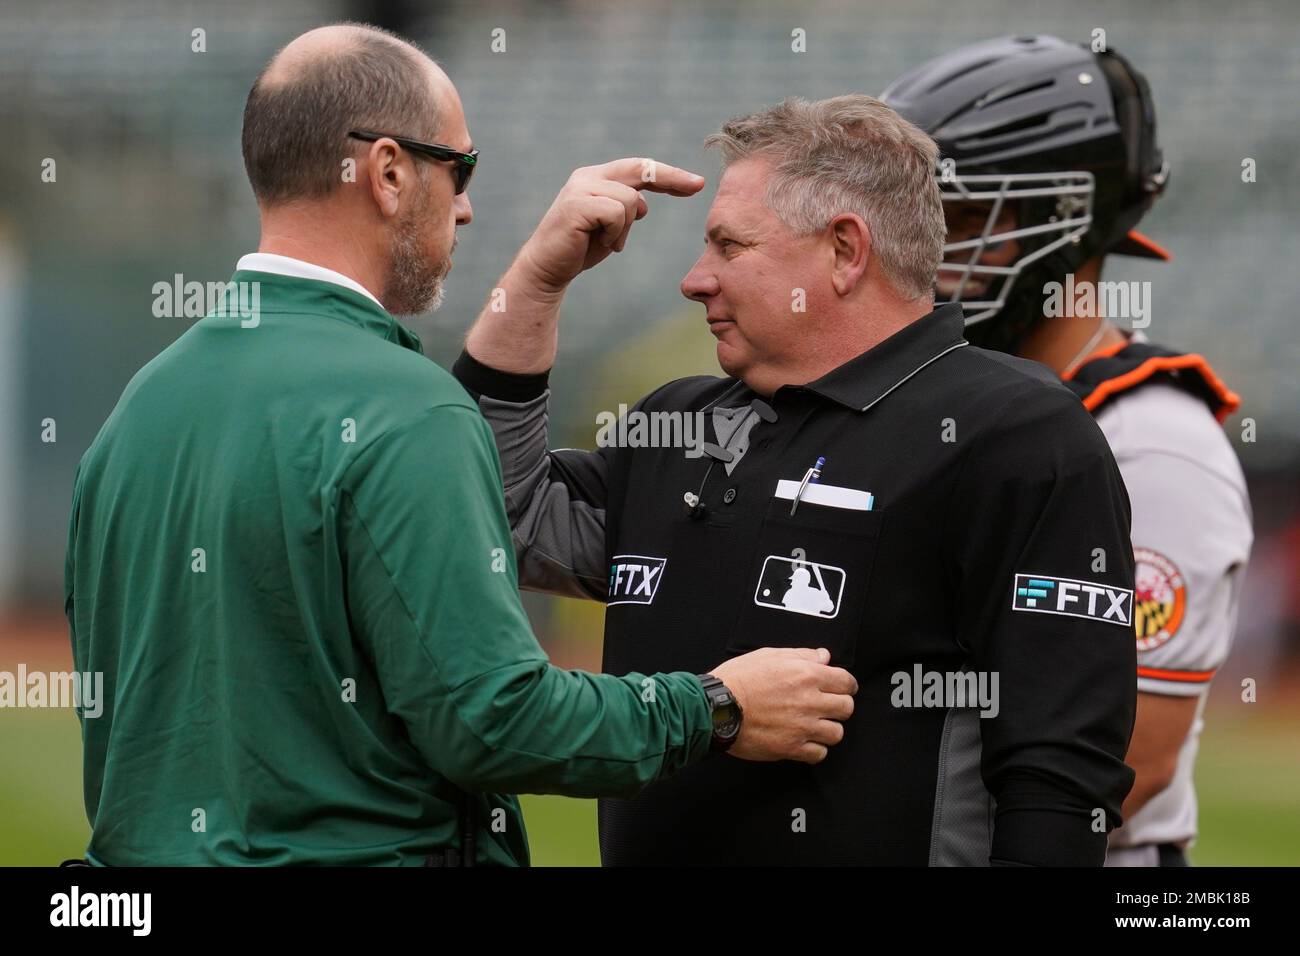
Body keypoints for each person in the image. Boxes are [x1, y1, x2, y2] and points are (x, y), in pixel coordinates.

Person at [63, 23, 857, 867]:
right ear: (390, 172)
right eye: (461, 168)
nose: (469, 203)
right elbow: (493, 720)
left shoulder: (138, 409)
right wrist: (716, 707)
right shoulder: (407, 407)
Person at [454, 94, 1138, 865]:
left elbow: (1059, 773)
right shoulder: (678, 421)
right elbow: (484, 519)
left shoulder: (1014, 431)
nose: (694, 279)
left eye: (728, 246)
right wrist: (536, 284)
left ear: (846, 251)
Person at [883, 34, 1253, 866]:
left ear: (1065, 222)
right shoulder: (935, 401)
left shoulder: (1152, 445)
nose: (930, 249)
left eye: (966, 216)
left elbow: (1134, 763)